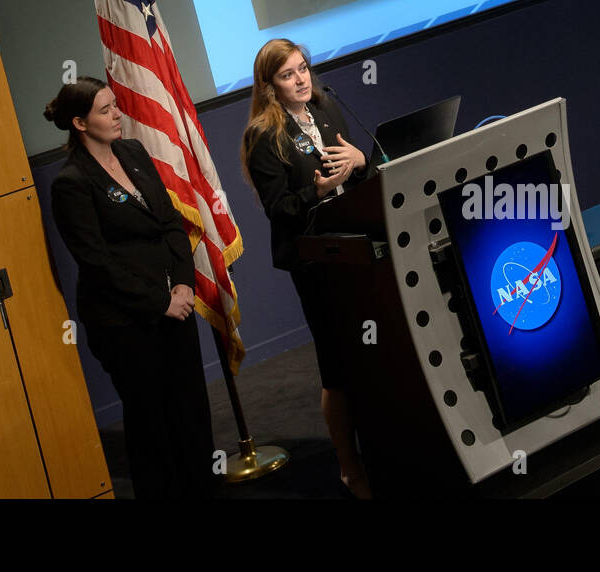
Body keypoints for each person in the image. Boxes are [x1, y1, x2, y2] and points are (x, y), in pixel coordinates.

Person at [45, 77, 215, 499]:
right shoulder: (72, 182)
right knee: (152, 425)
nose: (117, 114)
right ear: (80, 123)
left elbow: (170, 221)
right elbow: (97, 263)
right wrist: (160, 302)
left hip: (176, 304)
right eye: (106, 110)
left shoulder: (134, 151)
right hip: (125, 324)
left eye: (116, 105)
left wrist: (183, 285)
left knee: (191, 413)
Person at [240, 39, 371, 498]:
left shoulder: (328, 106)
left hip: (358, 245)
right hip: (318, 263)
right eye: (288, 74)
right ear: (270, 86)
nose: (301, 80)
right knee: (338, 367)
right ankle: (349, 466)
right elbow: (278, 210)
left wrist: (360, 161)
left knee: (374, 353)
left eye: (303, 69)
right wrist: (316, 192)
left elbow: (360, 167)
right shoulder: (264, 136)